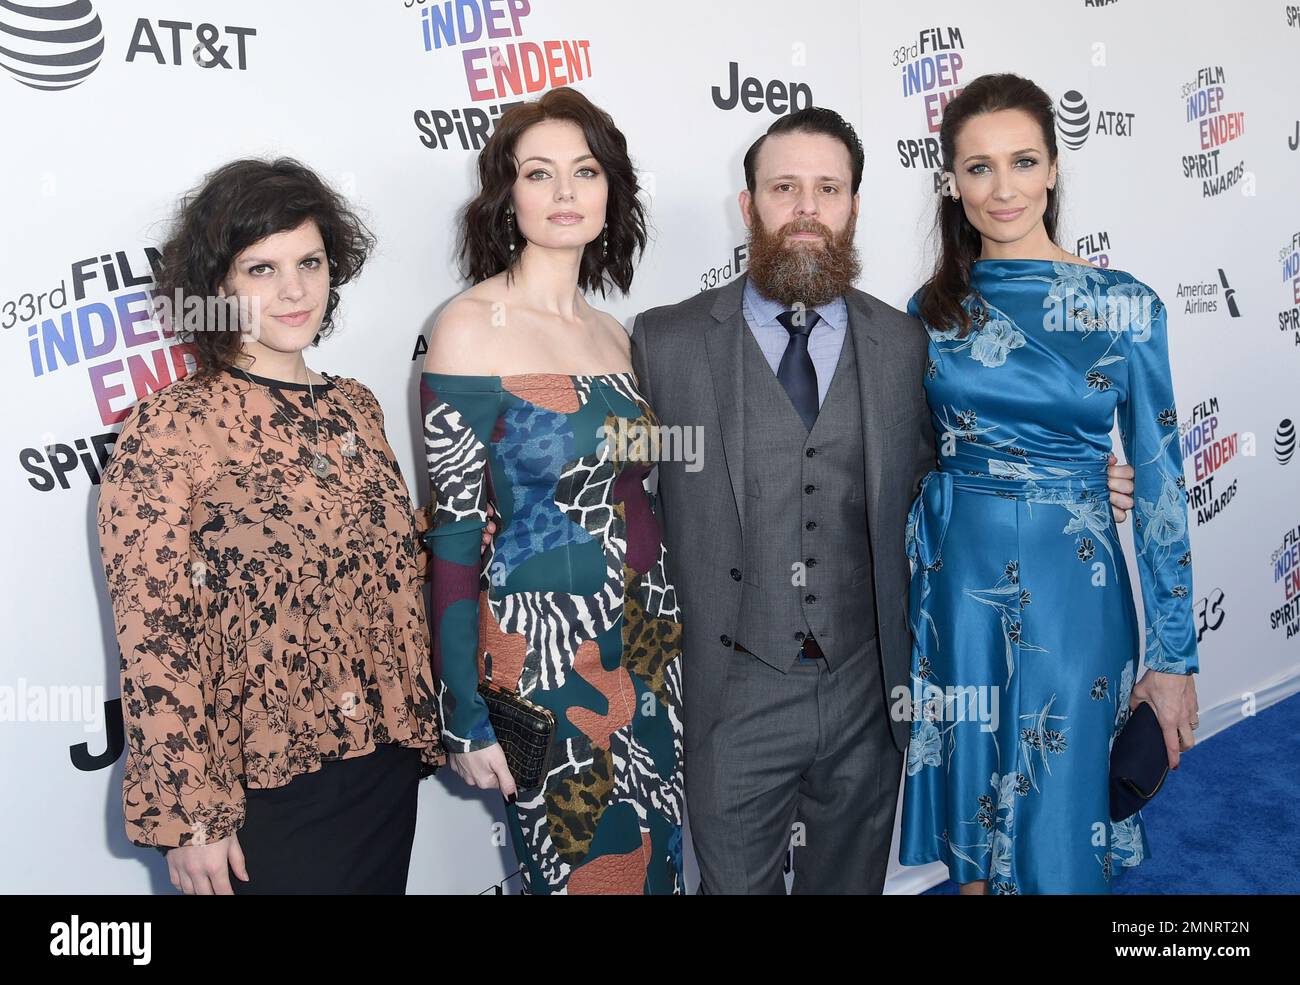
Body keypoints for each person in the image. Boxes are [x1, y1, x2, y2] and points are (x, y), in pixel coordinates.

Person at [630, 106, 1137, 893]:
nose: (807, 208)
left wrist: (1074, 476)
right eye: (785, 187)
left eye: (828, 188)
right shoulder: (663, 341)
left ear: (855, 206)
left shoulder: (906, 341)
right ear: (749, 205)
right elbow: (618, 487)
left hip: (870, 692)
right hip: (732, 696)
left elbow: (953, 469)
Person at [96, 158, 443, 894]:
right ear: (216, 288)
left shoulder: (355, 406)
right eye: (262, 268)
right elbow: (155, 633)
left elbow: (374, 564)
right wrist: (192, 816)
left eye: (309, 262)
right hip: (256, 793)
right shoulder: (171, 426)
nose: (293, 289)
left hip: (379, 767)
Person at [898, 73, 1200, 895]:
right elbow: (904, 455)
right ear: (952, 183)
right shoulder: (929, 311)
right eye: (979, 167)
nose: (1004, 188)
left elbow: (1164, 486)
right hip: (959, 588)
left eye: (1024, 161)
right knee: (975, 820)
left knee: (1060, 822)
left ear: (1055, 169)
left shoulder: (1124, 306)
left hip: (1078, 588)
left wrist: (1173, 657)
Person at [422, 87, 684, 894]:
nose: (566, 192)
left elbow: (642, 503)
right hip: (542, 661)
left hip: (650, 651)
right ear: (508, 197)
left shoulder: (617, 334)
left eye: (586, 171)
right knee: (582, 874)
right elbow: (456, 534)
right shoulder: (466, 327)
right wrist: (463, 709)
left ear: (612, 193)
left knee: (657, 871)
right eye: (540, 174)